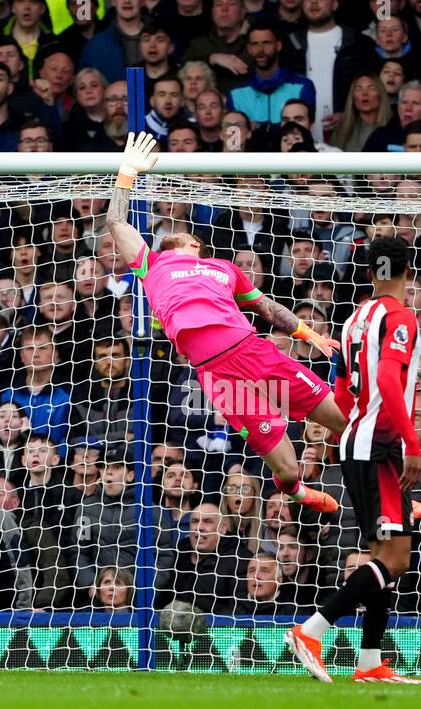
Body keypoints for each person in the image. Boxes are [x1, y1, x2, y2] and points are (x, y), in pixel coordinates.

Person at [106, 132, 347, 514]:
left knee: (345, 419)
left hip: (255, 353)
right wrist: (127, 171)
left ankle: (391, 494)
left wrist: (307, 333)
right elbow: (115, 220)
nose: (181, 237)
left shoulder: (225, 268)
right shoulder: (151, 264)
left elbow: (267, 308)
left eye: (187, 237)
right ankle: (299, 493)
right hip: (217, 374)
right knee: (286, 469)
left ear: (197, 245)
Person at [285, 236, 421, 685]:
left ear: (369, 273)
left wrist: (352, 427)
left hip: (357, 440)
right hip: (381, 445)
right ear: (409, 272)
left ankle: (369, 662)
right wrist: (412, 444)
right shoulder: (401, 317)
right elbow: (386, 375)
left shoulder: (352, 321)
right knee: (397, 558)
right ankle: (311, 631)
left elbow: (343, 387)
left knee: (381, 554)